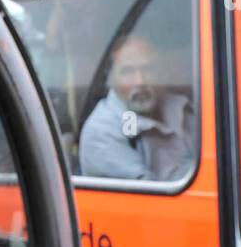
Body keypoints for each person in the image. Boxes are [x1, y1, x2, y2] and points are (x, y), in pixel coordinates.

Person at [78, 33, 194, 181]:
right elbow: (148, 196)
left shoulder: (179, 107)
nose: (140, 81)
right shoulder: (103, 132)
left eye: (148, 69)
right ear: (111, 78)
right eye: (127, 72)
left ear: (161, 72)